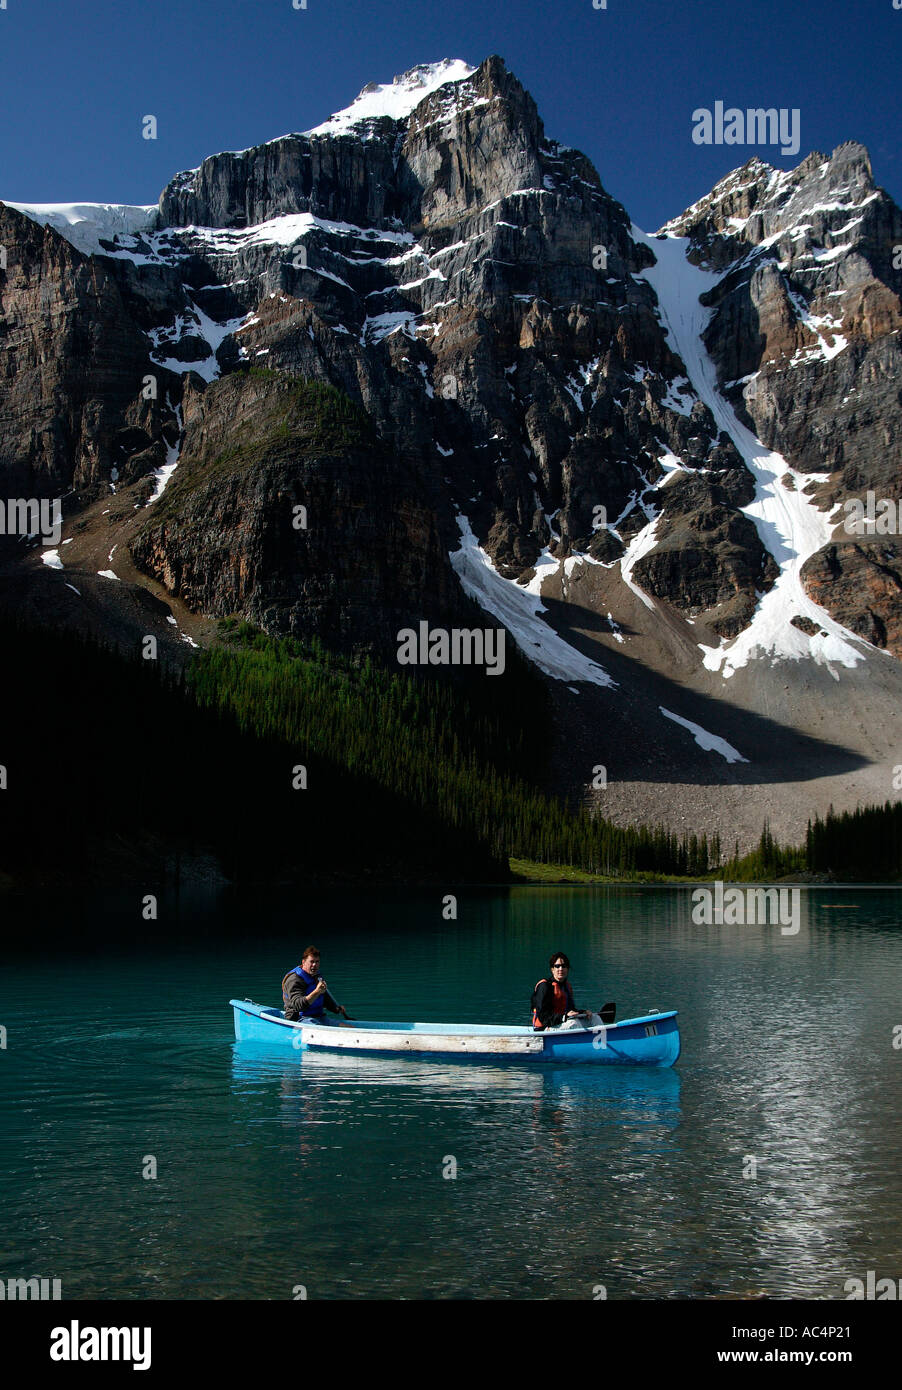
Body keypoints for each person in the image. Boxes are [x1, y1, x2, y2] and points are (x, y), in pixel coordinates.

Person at [282, 946, 352, 1024]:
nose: (314, 965)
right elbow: (298, 1006)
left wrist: (335, 1008)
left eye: (317, 961)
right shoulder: (294, 979)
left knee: (347, 1027)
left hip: (319, 1016)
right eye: (311, 961)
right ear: (303, 962)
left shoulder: (316, 976)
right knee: (320, 1028)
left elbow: (324, 997)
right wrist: (317, 992)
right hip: (300, 1019)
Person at [531, 951, 592, 1031]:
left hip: (561, 1023)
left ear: (567, 968)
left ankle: (604, 1037)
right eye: (557, 966)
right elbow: (543, 1016)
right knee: (574, 1023)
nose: (561, 969)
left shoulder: (567, 986)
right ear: (552, 969)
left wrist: (583, 1012)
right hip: (544, 1027)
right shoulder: (545, 986)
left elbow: (570, 1010)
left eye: (564, 966)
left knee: (593, 1018)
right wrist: (564, 1017)